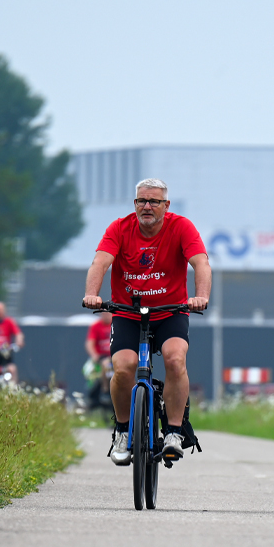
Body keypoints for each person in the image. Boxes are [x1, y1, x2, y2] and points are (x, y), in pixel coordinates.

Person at [82, 178, 211, 463]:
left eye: (154, 201)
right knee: (123, 367)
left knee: (175, 359)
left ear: (166, 205)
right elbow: (100, 262)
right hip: (128, 312)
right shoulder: (119, 228)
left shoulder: (182, 227)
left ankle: (174, 432)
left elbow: (201, 262)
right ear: (135, 204)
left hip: (170, 311)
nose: (147, 206)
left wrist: (201, 296)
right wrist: (92, 294)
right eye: (142, 201)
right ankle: (123, 429)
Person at [82, 314, 113, 410]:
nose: (106, 316)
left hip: (115, 356)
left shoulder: (116, 324)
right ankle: (105, 390)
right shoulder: (96, 326)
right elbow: (89, 343)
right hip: (101, 358)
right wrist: (95, 356)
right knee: (106, 364)